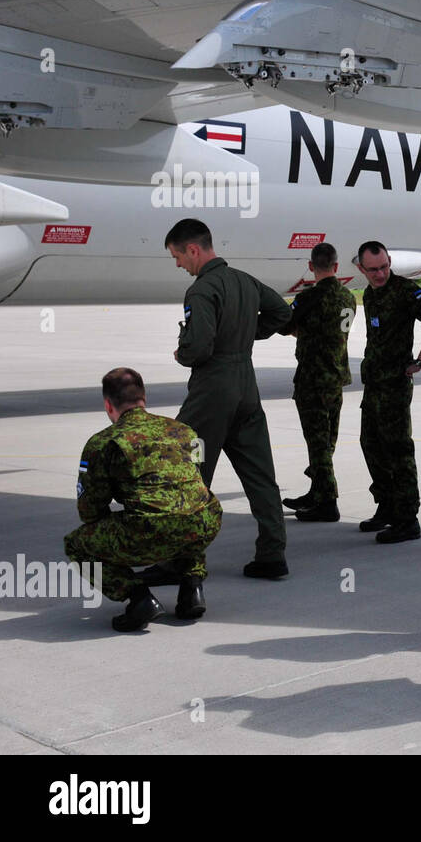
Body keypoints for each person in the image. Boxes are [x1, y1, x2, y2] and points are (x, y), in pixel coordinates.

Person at [165, 218, 291, 580]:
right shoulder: (244, 280)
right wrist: (247, 335)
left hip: (213, 390)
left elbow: (200, 346)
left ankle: (183, 558)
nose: (178, 265)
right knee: (260, 474)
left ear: (193, 249)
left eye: (177, 256)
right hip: (246, 386)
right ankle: (272, 554)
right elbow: (283, 314)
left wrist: (183, 353)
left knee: (188, 470)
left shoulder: (202, 290)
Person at [65, 368, 222, 631]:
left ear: (108, 404)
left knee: (77, 545)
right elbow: (197, 480)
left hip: (148, 531)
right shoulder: (187, 431)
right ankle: (192, 588)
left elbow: (89, 511)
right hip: (205, 522)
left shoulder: (102, 443)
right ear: (144, 397)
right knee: (190, 509)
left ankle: (138, 598)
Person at [355, 240, 421, 544]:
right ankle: (386, 506)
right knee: (370, 444)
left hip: (395, 386)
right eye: (373, 270)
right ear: (361, 269)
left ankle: (407, 518)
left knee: (399, 450)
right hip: (374, 383)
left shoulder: (406, 291)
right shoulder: (369, 294)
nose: (380, 274)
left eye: (384, 267)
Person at [279, 242, 356, 523]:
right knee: (327, 440)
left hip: (313, 379)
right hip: (336, 377)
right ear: (336, 266)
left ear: (311, 267)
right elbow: (334, 332)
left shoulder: (310, 297)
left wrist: (301, 330)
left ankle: (328, 502)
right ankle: (317, 492)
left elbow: (285, 324)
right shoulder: (347, 297)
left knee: (317, 442)